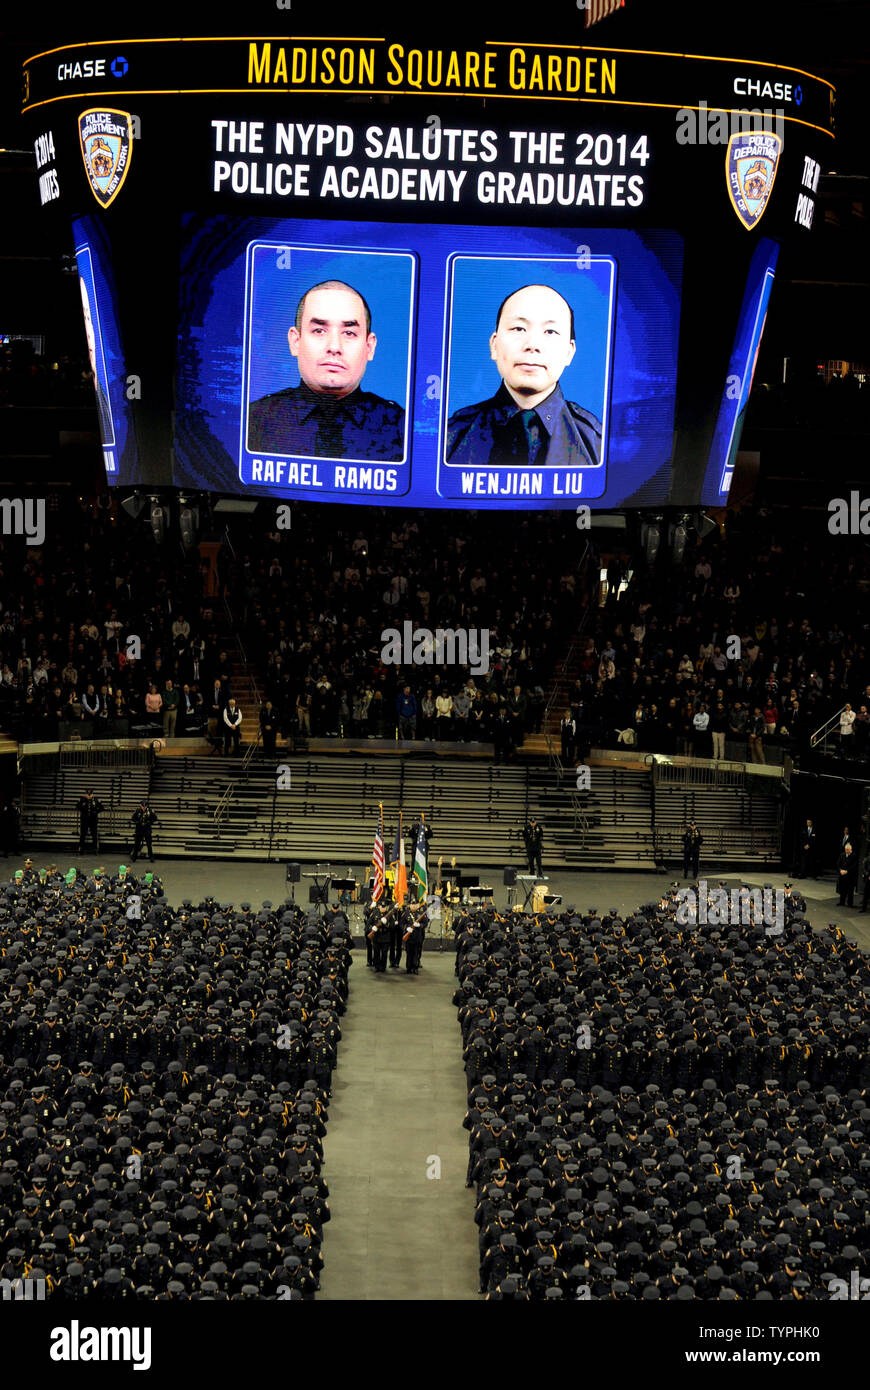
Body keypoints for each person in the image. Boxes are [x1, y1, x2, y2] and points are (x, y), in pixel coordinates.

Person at [446, 284, 602, 470]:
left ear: (569, 352)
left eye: (550, 331)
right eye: (519, 329)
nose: (532, 344)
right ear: (494, 345)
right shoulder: (451, 437)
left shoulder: (597, 443)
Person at [247, 280, 405, 460]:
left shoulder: (402, 429)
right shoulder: (253, 422)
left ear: (369, 347)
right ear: (295, 341)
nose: (334, 346)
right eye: (319, 330)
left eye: (349, 333)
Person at [76, 790, 105, 854]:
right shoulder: (82, 800)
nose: (89, 796)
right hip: (84, 820)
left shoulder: (96, 800)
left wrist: (96, 812)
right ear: (85, 794)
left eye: (90, 794)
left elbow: (102, 808)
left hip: (93, 820)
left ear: (92, 794)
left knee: (94, 834)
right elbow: (77, 807)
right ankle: (81, 848)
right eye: (87, 794)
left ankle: (95, 849)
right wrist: (83, 810)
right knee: (83, 834)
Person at [837, 841, 858, 907]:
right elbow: (838, 863)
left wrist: (847, 871)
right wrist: (840, 870)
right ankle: (841, 902)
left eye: (848, 850)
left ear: (851, 849)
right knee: (842, 889)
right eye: (846, 849)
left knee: (850, 891)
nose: (847, 851)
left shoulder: (854, 856)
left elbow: (854, 866)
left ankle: (850, 903)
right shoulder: (842, 855)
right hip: (842, 875)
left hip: (850, 876)